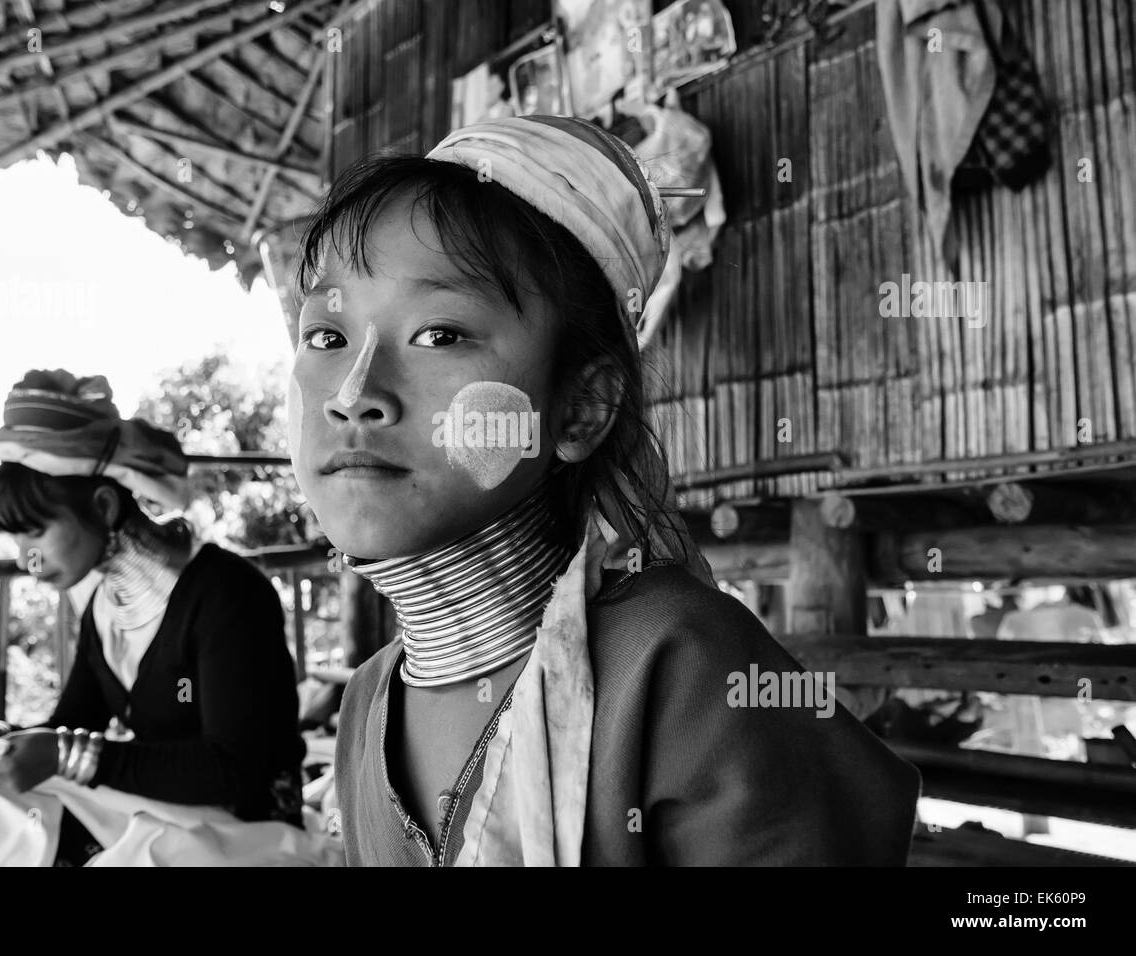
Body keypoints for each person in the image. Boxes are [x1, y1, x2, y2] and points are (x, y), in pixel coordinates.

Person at [288, 114, 921, 866]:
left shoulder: (685, 671)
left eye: (440, 333)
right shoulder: (366, 704)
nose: (354, 394)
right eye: (328, 338)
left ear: (582, 409)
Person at [0, 369, 311, 866]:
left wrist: (64, 755)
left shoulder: (227, 593)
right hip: (166, 812)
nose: (26, 560)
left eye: (35, 533)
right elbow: (70, 725)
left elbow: (234, 768)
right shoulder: (105, 606)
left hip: (247, 829)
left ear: (104, 508)